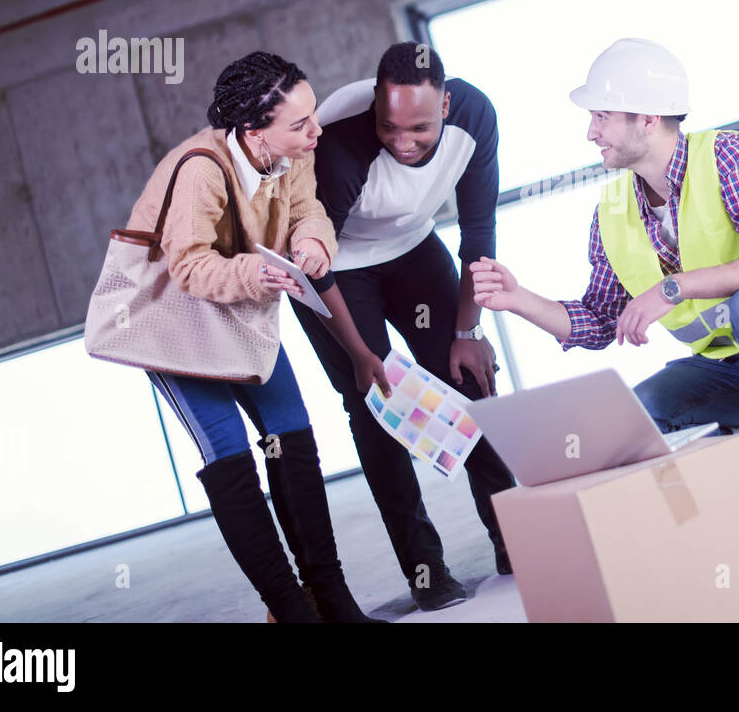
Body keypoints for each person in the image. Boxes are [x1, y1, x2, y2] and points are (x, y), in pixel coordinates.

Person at [471, 38, 739, 545]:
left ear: (648, 118)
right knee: (642, 412)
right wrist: (518, 298)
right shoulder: (612, 210)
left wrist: (672, 288)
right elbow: (598, 321)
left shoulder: (726, 156)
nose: (590, 132)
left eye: (602, 116)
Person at [126, 50, 383, 621]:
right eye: (299, 124)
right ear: (252, 130)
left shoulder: (292, 154)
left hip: (243, 309)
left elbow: (306, 210)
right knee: (230, 455)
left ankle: (331, 597)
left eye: (313, 114)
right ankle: (289, 609)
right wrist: (257, 272)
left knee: (293, 437)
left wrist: (314, 241)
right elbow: (189, 266)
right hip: (177, 327)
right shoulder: (201, 168)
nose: (316, 130)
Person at [289, 42, 516, 611]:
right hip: (334, 272)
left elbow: (479, 234)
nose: (403, 142)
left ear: (444, 104)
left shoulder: (475, 117)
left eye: (418, 127)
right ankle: (426, 571)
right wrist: (361, 355)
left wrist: (468, 333)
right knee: (377, 404)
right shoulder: (340, 142)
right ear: (374, 109)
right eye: (389, 127)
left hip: (412, 250)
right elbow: (311, 268)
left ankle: (517, 537)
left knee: (471, 380)